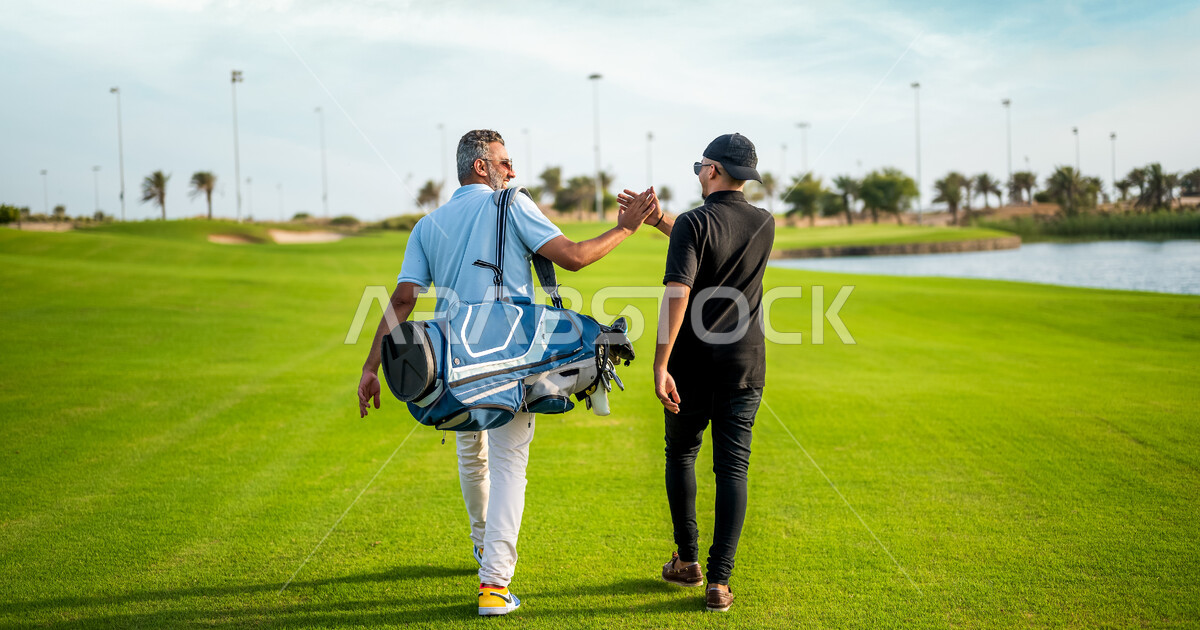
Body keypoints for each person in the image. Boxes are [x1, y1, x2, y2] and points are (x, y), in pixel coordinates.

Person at [357, 129, 656, 616]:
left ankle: (482, 548)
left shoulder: (427, 225)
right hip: (509, 360)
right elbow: (575, 258)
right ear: (482, 166)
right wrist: (626, 227)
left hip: (452, 368)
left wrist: (372, 366)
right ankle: (494, 584)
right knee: (508, 464)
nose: (513, 171)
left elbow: (404, 301)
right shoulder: (511, 202)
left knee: (470, 454)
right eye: (505, 161)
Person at [626, 132, 774, 613]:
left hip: (691, 363)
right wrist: (662, 220)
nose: (697, 173)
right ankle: (719, 582)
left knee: (682, 455)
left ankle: (688, 562)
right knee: (732, 468)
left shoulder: (693, 222)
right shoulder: (764, 222)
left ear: (711, 170)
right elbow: (717, 238)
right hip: (745, 364)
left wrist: (659, 362)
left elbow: (679, 289)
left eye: (699, 166)